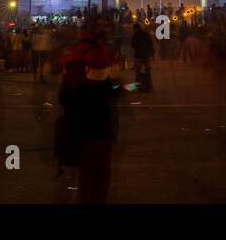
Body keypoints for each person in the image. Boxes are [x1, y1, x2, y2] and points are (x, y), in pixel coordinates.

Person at [57, 19, 121, 203]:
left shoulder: (73, 57)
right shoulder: (97, 55)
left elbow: (64, 97)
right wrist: (118, 85)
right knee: (97, 180)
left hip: (75, 129)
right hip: (98, 130)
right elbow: (108, 90)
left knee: (82, 176)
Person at [131, 22, 155, 92]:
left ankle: (138, 87)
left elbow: (132, 45)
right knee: (147, 71)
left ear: (135, 29)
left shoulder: (135, 35)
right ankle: (150, 86)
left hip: (138, 55)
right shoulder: (146, 34)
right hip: (146, 55)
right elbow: (150, 43)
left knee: (138, 71)